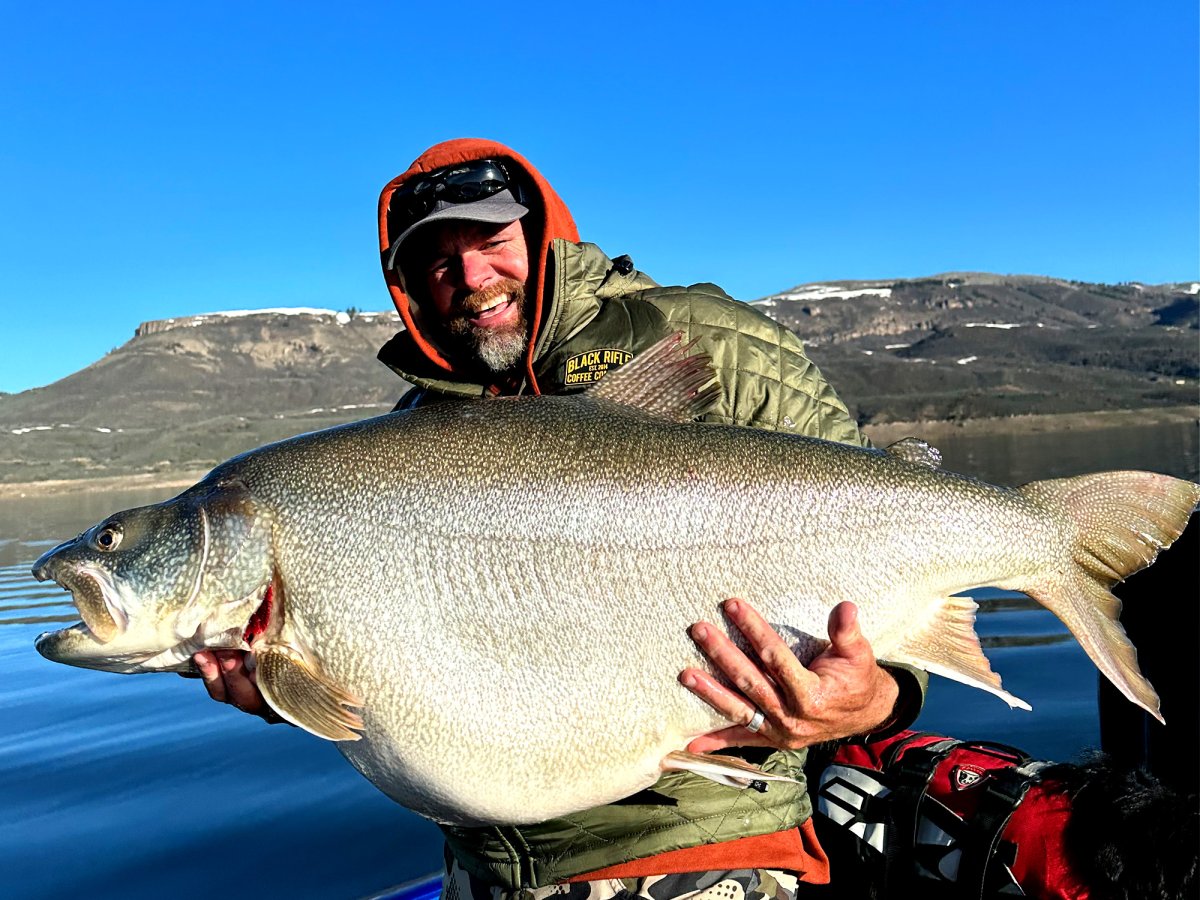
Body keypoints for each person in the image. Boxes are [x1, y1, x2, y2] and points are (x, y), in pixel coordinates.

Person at [192, 138, 927, 898]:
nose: (472, 277)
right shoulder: (412, 435)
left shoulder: (708, 339)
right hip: (485, 870)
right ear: (409, 290)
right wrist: (291, 687)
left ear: (543, 234)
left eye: (491, 241)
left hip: (699, 850)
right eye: (439, 263)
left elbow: (886, 540)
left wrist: (875, 697)